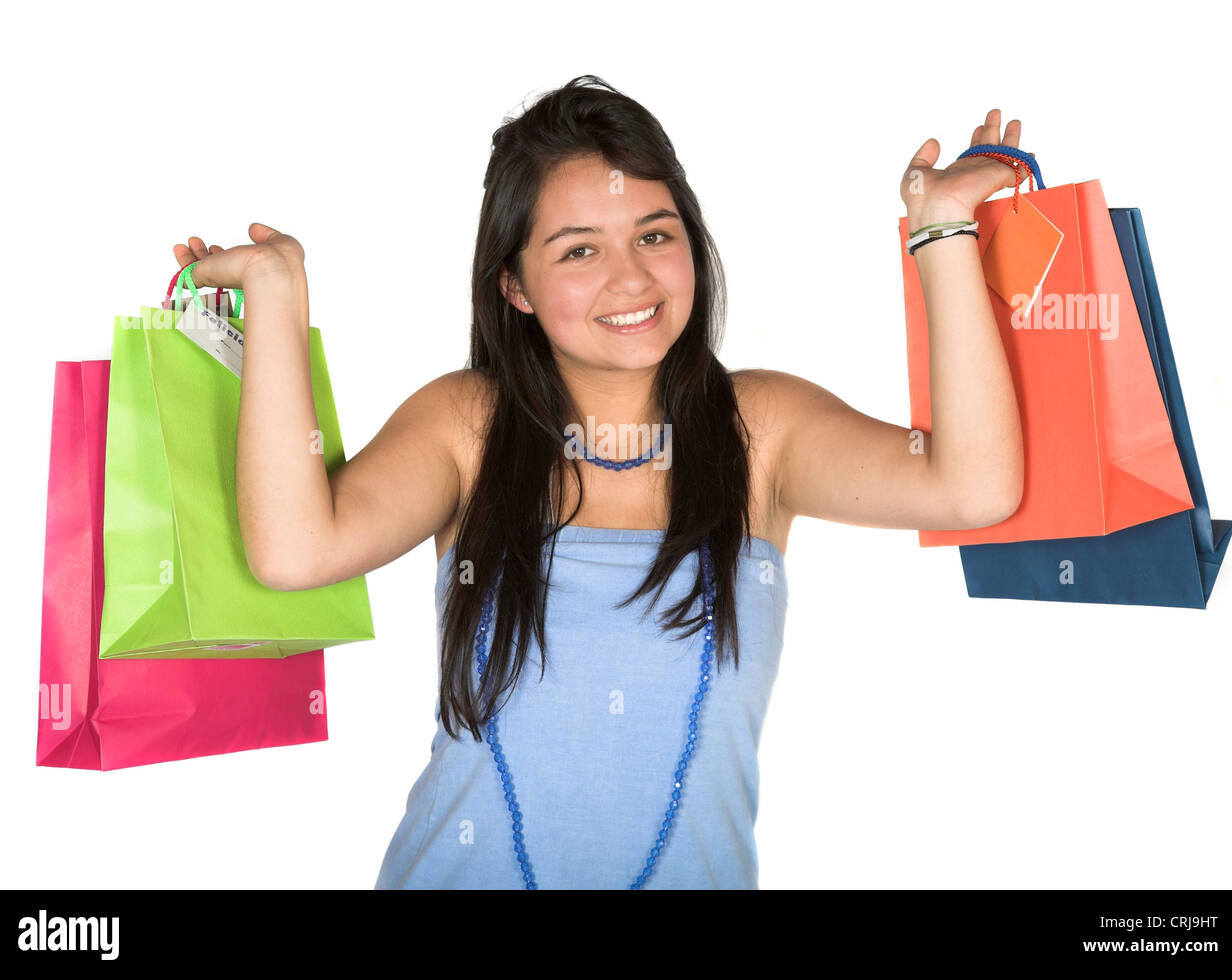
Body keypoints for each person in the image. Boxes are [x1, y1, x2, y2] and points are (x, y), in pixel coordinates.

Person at [172, 75, 1024, 889]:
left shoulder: (763, 431)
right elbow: (293, 551)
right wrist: (277, 294)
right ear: (514, 285)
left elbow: (972, 489)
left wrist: (941, 228)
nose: (632, 279)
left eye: (655, 234)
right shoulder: (468, 427)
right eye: (579, 250)